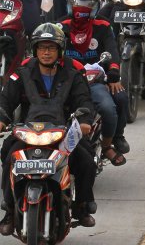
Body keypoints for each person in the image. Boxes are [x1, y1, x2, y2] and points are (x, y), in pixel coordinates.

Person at [0, 23, 97, 232]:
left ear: (59, 50)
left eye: (51, 48)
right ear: (34, 50)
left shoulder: (73, 73)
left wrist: (84, 120)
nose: (46, 52)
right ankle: (9, 210)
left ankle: (81, 206)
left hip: (63, 134)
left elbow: (85, 101)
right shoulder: (22, 72)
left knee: (87, 161)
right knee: (8, 156)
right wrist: (1, 118)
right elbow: (5, 100)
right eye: (42, 47)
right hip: (28, 133)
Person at [61, 0, 129, 164]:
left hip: (95, 81)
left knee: (114, 104)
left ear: (95, 6)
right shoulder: (60, 27)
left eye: (86, 4)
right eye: (77, 4)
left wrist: (114, 74)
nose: (81, 8)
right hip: (66, 81)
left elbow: (113, 52)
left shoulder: (103, 25)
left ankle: (110, 143)